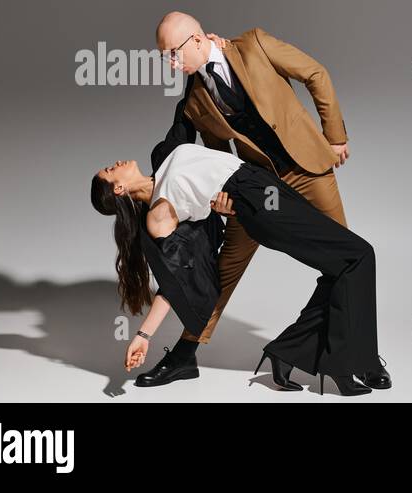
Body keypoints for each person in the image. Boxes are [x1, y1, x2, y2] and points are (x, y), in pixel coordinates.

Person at [149, 12, 392, 392]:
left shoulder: (255, 44)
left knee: (346, 260)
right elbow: (216, 159)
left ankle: (361, 355)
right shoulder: (195, 101)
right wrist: (221, 200)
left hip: (307, 168)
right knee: (223, 269)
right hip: (258, 189)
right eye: (165, 57)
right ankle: (184, 354)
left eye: (174, 54)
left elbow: (316, 74)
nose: (171, 64)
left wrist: (335, 136)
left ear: (197, 40)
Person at [90, 143, 386, 396]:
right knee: (358, 256)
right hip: (259, 205)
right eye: (110, 170)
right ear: (118, 189)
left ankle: (290, 352)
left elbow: (190, 115)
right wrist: (144, 335)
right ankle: (344, 364)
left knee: (342, 268)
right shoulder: (159, 214)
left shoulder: (164, 156)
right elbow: (175, 279)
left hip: (262, 183)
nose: (115, 163)